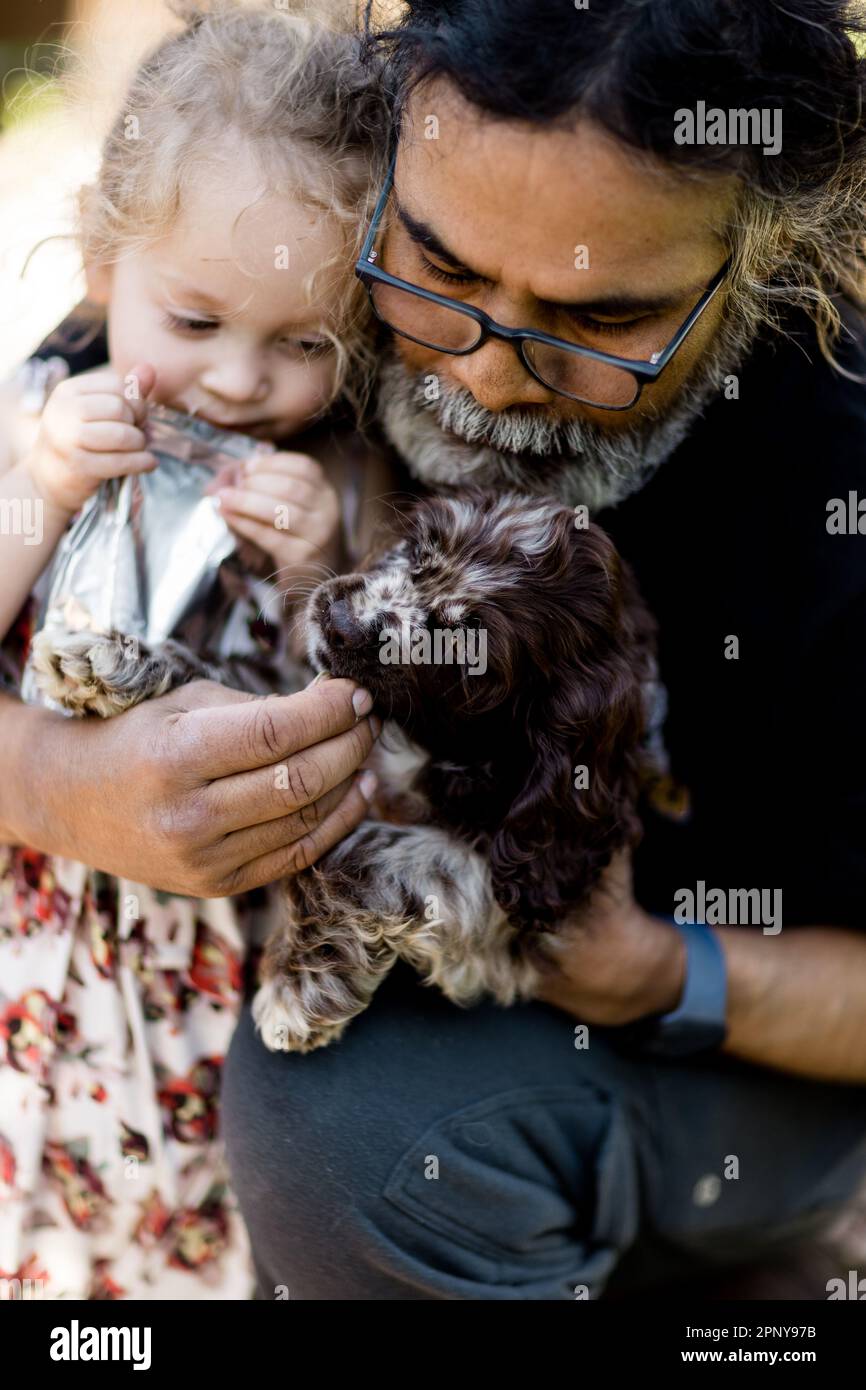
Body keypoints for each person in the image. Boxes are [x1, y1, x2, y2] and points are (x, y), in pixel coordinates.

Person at [221, 0, 866, 1299]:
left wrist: (651, 973)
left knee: (363, 1129)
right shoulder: (288, 193)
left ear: (777, 248)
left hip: (754, 1042)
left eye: (600, 320)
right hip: (340, 932)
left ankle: (731, 1249)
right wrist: (69, 777)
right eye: (441, 272)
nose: (491, 376)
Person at [0, 2, 391, 1299]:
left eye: (301, 344)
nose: (235, 383)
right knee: (45, 1195)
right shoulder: (44, 419)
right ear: (106, 265)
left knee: (193, 1213)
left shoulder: (327, 475)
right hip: (40, 933)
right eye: (195, 320)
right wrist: (43, 493)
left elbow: (350, 701)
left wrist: (316, 565)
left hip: (205, 951)